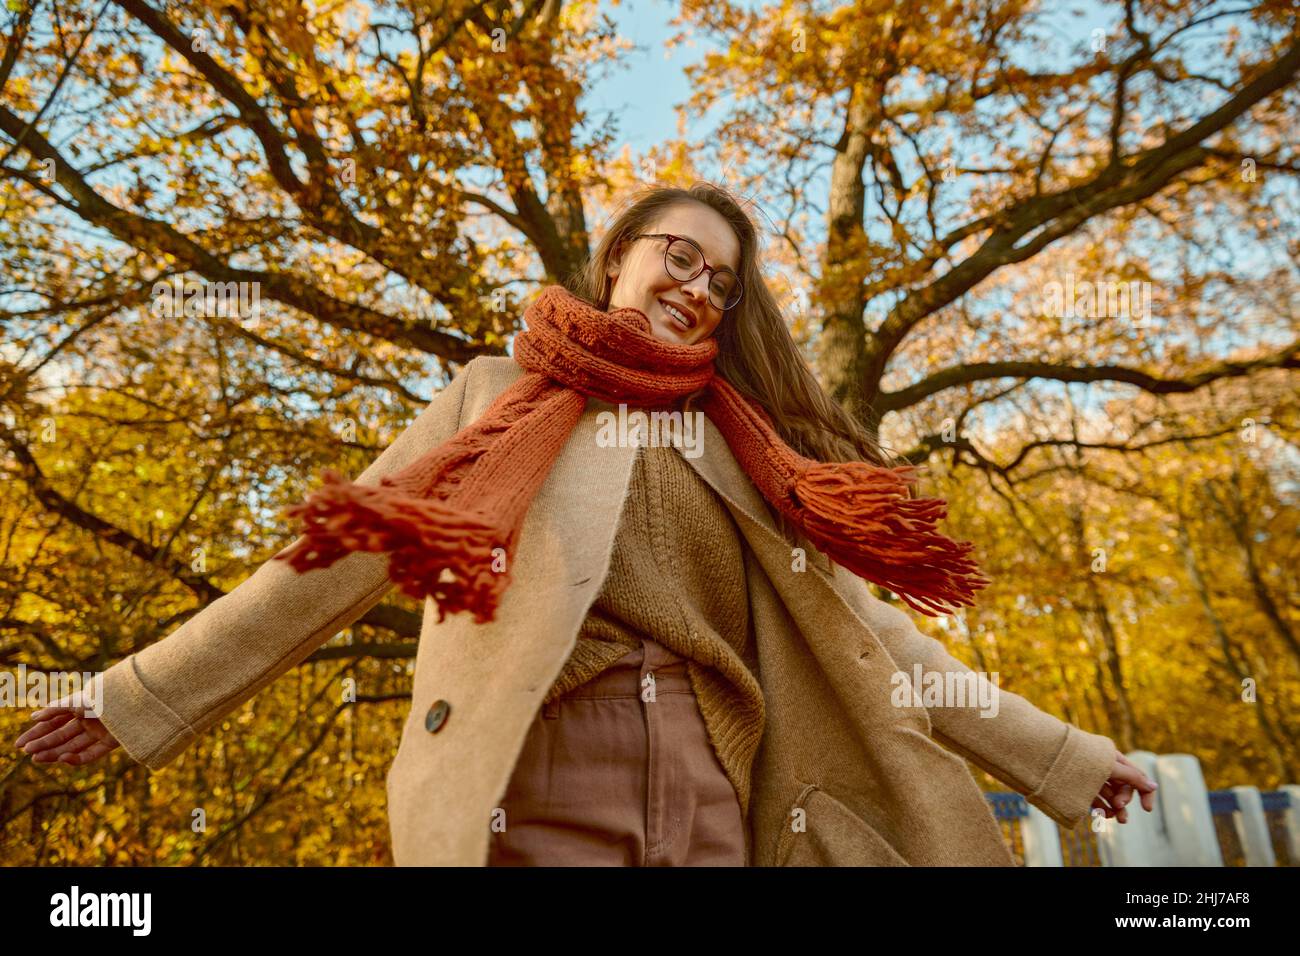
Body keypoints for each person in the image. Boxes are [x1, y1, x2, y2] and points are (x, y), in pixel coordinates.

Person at [13, 183, 1156, 866]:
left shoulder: (752, 451)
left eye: (723, 280)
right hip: (542, 766)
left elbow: (878, 644)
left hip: (720, 783)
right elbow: (331, 561)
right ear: (619, 257)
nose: (699, 286)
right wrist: (139, 694)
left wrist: (1061, 757)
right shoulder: (489, 397)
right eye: (679, 255)